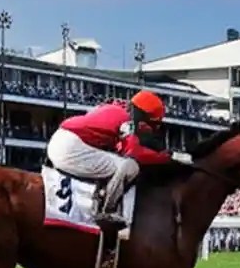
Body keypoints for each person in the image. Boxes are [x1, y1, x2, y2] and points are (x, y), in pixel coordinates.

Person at [46, 89, 173, 223]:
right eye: (152, 125)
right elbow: (132, 152)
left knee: (116, 160)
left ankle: (100, 196)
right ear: (143, 117)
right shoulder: (127, 121)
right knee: (130, 166)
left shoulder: (113, 108)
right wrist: (163, 157)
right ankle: (107, 210)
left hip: (61, 139)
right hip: (72, 148)